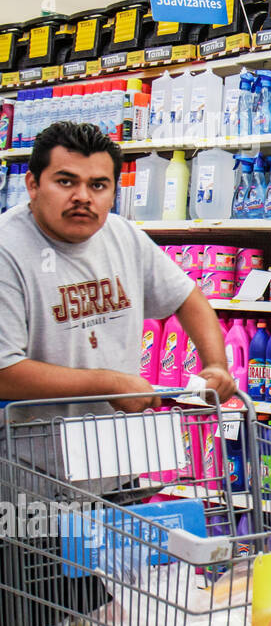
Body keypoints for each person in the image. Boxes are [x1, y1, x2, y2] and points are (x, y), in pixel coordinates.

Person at [0, 122, 235, 419]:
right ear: (32, 184)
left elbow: (187, 298)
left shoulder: (122, 235)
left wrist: (215, 364)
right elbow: (4, 373)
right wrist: (108, 383)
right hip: (32, 455)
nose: (83, 197)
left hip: (116, 447)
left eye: (97, 185)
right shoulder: (8, 250)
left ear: (113, 193)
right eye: (66, 182)